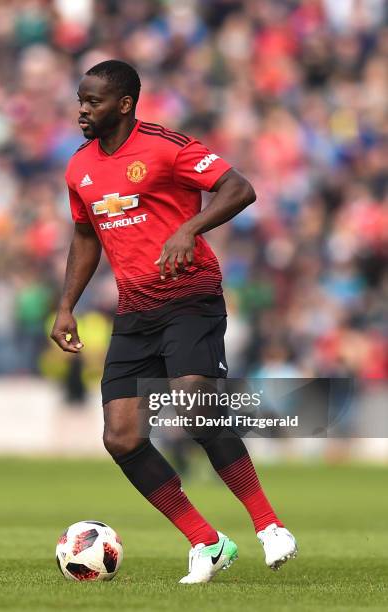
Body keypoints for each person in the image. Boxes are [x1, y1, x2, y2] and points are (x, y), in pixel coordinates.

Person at [51, 59, 297, 584]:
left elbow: (239, 188)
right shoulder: (79, 168)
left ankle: (269, 525)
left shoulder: (165, 145)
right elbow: (86, 235)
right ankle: (207, 542)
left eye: (92, 102)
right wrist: (67, 304)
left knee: (195, 403)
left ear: (123, 104)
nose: (82, 111)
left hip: (190, 297)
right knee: (120, 437)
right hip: (134, 310)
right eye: (80, 100)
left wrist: (190, 228)